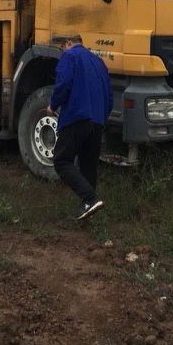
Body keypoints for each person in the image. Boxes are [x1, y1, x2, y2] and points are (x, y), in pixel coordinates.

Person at [47, 35, 113, 220]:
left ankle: (89, 198)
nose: (62, 51)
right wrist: (101, 117)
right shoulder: (99, 62)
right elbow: (109, 96)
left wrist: (53, 105)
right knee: (88, 164)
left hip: (77, 117)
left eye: (62, 47)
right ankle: (89, 208)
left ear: (68, 43)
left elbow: (63, 83)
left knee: (61, 160)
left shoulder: (70, 57)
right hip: (97, 120)